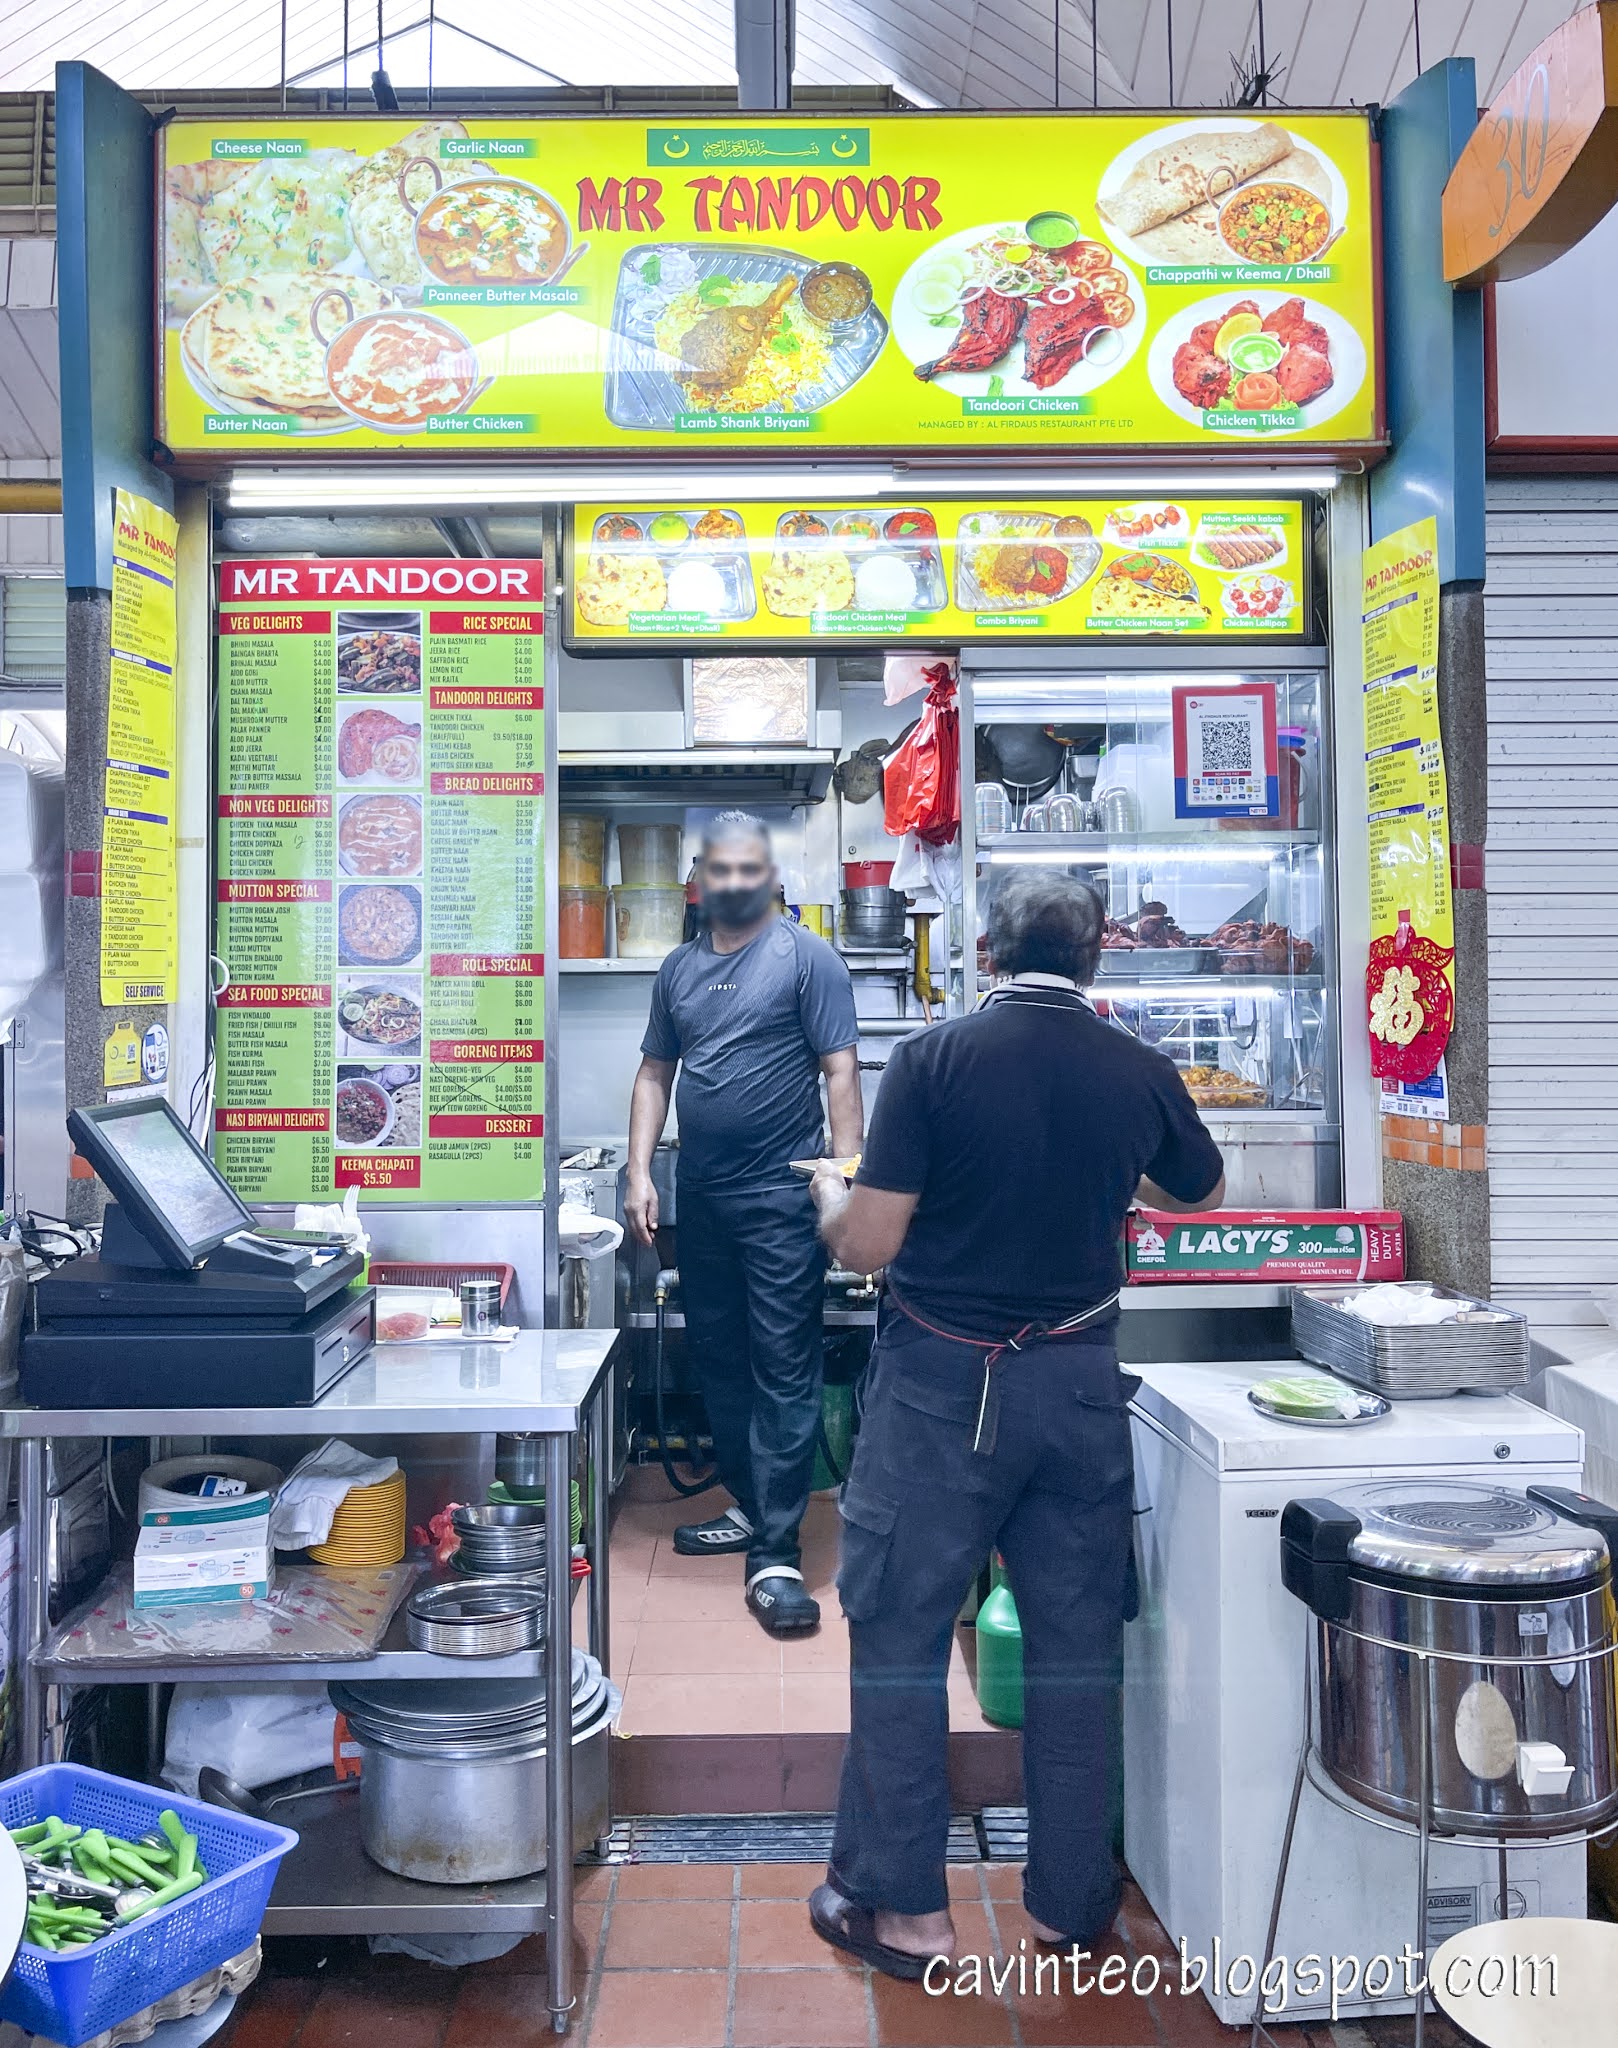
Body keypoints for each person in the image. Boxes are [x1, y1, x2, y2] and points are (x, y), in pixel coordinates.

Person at [805, 868, 1225, 1976]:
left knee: (898, 1636)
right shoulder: (1134, 1065)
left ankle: (908, 1912)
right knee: (1076, 1646)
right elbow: (1199, 1190)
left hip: (944, 1389)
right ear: (1095, 958)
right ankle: (1069, 1905)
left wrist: (826, 1197)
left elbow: (869, 1244)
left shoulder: (934, 1062)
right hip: (1081, 1390)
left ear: (985, 949)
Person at [625, 812, 862, 1635]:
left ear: (770, 876)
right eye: (718, 870)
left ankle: (776, 1551)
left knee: (782, 1365)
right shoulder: (679, 969)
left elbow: (839, 1070)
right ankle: (750, 1504)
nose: (732, 883)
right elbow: (655, 1072)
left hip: (778, 1196)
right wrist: (637, 1171)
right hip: (705, 1193)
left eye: (747, 869)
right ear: (699, 878)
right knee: (719, 1359)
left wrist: (847, 1175)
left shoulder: (808, 958)